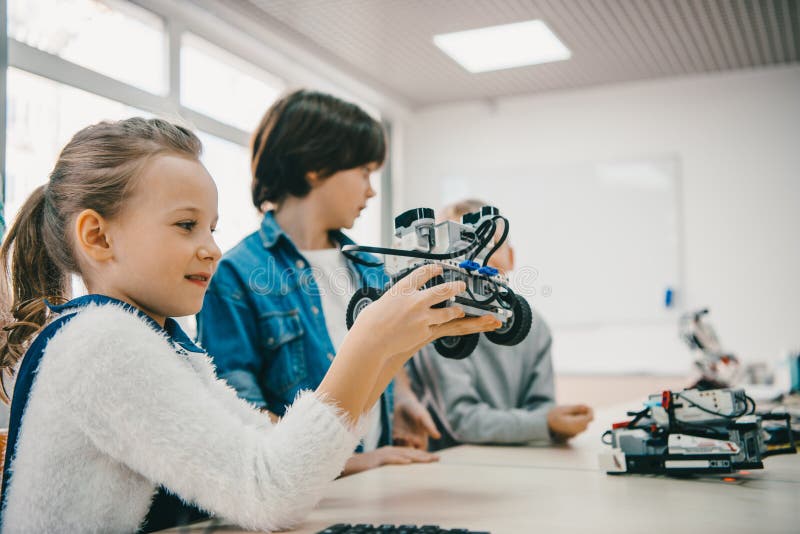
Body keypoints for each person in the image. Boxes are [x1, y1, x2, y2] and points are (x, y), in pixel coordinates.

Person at [0, 118, 498, 532]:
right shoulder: (101, 344)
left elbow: (269, 448)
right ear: (98, 236)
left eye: (212, 228)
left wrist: (392, 349)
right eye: (186, 225)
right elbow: (269, 491)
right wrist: (369, 342)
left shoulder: (152, 342)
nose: (212, 248)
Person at [197, 90, 441, 474]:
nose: (371, 190)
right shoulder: (236, 275)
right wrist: (353, 462)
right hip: (308, 497)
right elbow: (242, 419)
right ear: (315, 166)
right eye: (364, 172)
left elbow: (388, 351)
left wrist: (403, 399)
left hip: (377, 483)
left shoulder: (369, 267)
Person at [408, 199, 594, 450]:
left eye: (489, 244)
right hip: (452, 461)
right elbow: (462, 420)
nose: (477, 256)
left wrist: (551, 422)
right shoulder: (436, 323)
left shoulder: (535, 326)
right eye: (460, 246)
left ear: (511, 257)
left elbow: (542, 407)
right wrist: (545, 424)